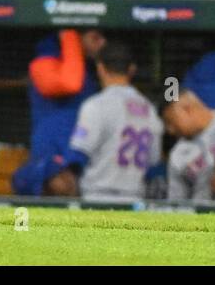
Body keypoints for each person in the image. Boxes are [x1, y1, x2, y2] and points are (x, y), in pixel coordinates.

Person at [49, 42, 162, 201]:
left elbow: (78, 155)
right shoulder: (150, 110)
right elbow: (153, 164)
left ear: (100, 68)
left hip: (97, 198)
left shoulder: (96, 105)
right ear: (132, 69)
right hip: (135, 201)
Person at [12, 28, 104, 196]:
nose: (102, 44)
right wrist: (71, 37)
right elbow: (69, 83)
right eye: (95, 37)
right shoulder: (46, 58)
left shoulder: (88, 70)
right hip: (51, 153)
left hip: (80, 154)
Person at [163, 90, 215, 202]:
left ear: (186, 109)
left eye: (170, 121)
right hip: (202, 217)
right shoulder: (178, 154)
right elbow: (176, 205)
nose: (170, 130)